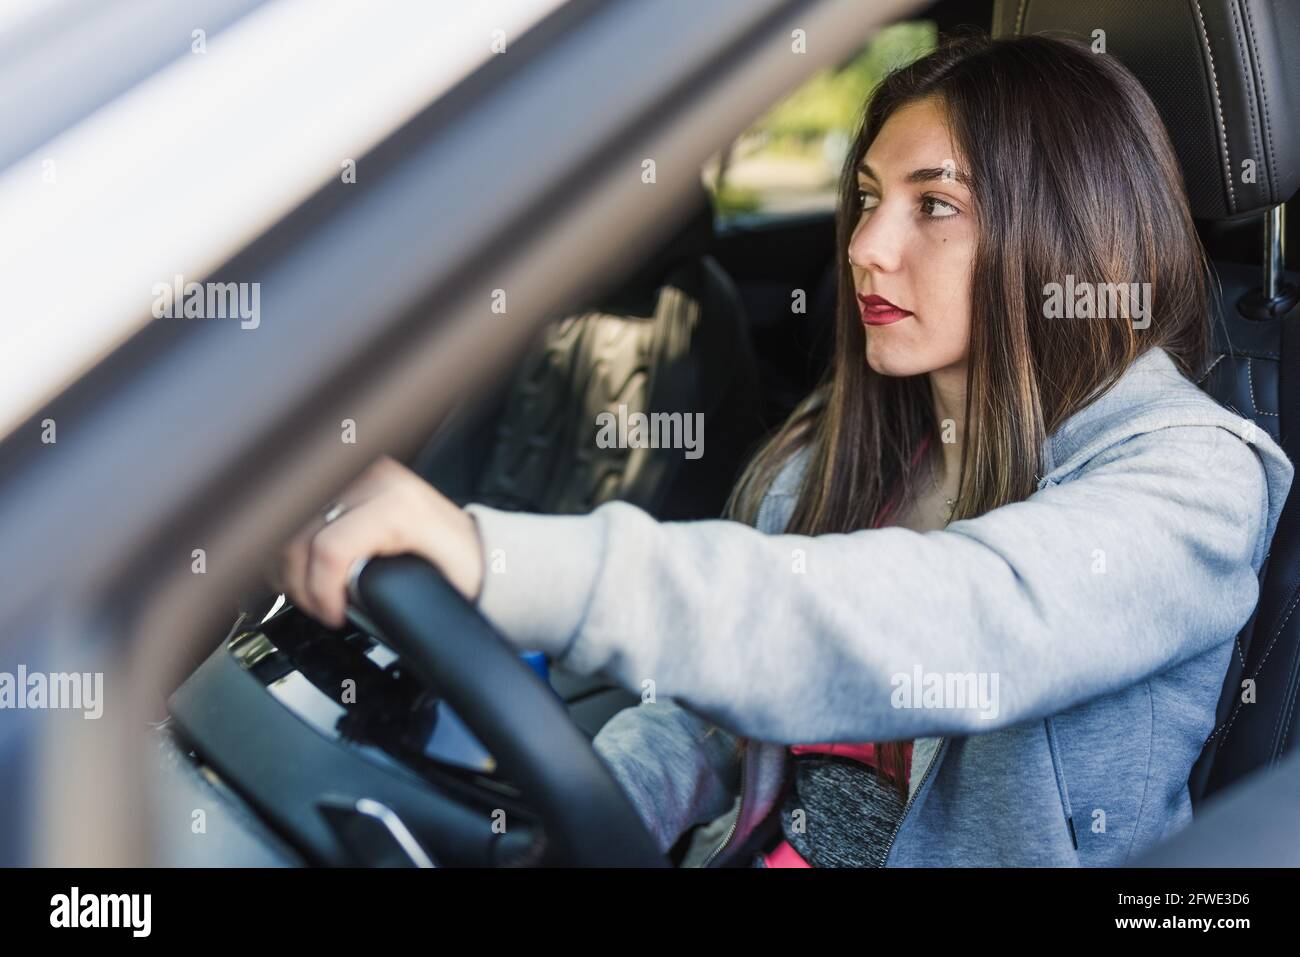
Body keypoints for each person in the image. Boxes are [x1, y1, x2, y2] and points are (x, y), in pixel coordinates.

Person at [271, 35, 1293, 866]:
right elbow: (712, 718)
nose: (863, 246)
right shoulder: (840, 450)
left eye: (933, 205)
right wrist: (574, 831)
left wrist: (499, 562)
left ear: (1073, 233)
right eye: (865, 196)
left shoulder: (1191, 482)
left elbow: (939, 623)